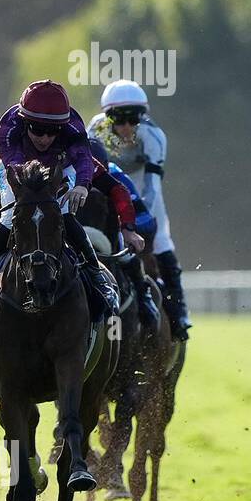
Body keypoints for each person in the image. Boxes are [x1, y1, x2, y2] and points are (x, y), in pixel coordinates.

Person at [0, 79, 119, 332]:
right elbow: (17, 166)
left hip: (58, 164)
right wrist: (32, 197)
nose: (45, 137)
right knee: (11, 217)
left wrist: (82, 185)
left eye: (53, 131)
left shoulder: (73, 126)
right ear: (24, 122)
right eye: (37, 129)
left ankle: (95, 273)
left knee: (63, 212)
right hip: (17, 167)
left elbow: (82, 158)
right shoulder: (8, 127)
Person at [89, 79, 192, 340]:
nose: (125, 127)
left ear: (142, 116)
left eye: (133, 119)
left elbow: (153, 186)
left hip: (145, 197)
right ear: (107, 116)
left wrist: (140, 221)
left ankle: (179, 314)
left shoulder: (154, 135)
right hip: (107, 192)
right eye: (118, 119)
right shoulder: (94, 130)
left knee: (163, 246)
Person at [87, 137, 160, 331]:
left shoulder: (115, 176)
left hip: (109, 233)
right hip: (75, 234)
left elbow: (142, 215)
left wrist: (134, 232)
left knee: (128, 258)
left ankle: (145, 300)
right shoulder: (64, 172)